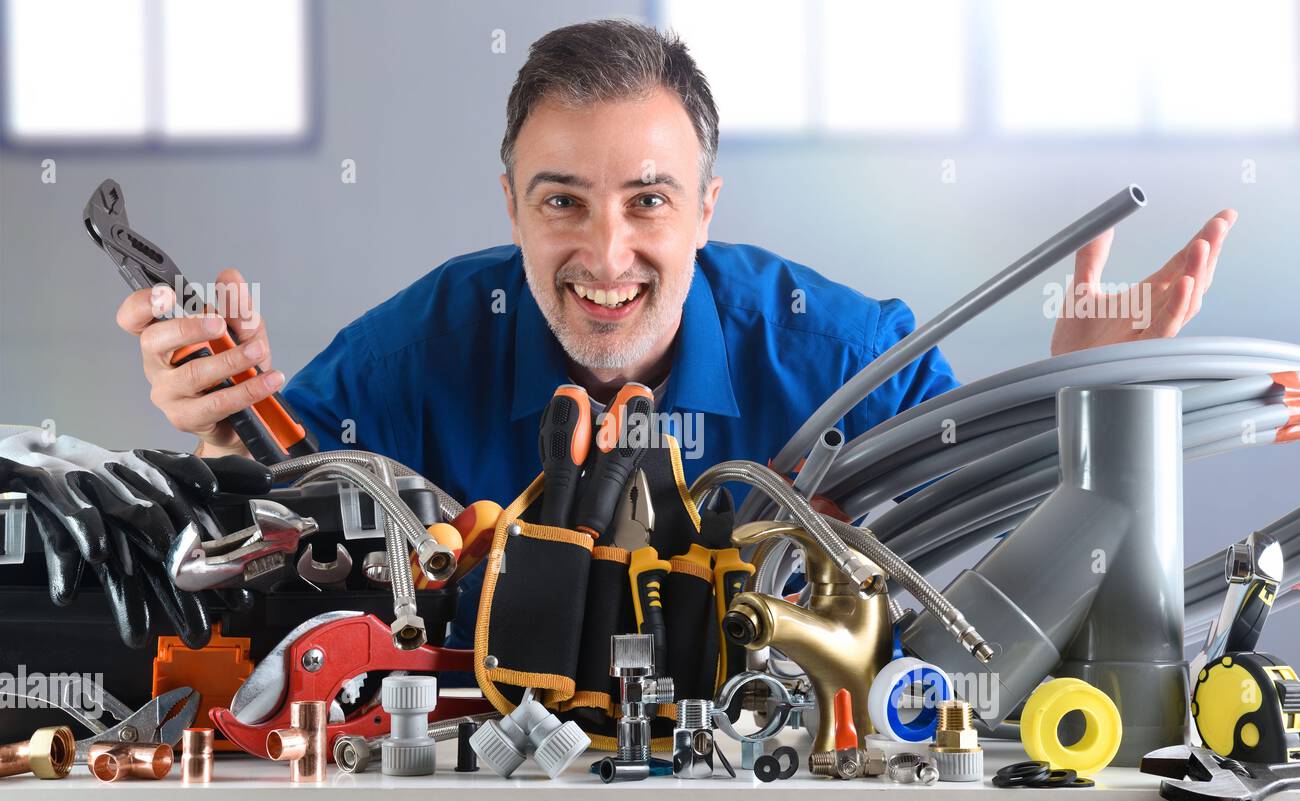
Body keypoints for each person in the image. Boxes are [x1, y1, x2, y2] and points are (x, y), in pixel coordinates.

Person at [114, 19, 1236, 509]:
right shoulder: (417, 352)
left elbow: (992, 526)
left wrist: (1080, 402)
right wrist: (223, 417)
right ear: (511, 205)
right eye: (563, 202)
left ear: (706, 209)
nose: (607, 256)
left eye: (648, 200)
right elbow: (274, 510)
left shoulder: (840, 357)